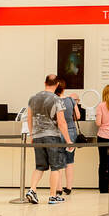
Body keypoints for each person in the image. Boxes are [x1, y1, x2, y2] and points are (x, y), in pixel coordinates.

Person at [25, 73, 71, 205]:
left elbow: (29, 118)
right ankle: (52, 196)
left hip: (37, 136)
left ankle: (32, 189)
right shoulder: (57, 99)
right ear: (57, 85)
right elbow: (61, 122)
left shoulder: (32, 98)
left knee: (40, 166)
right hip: (52, 136)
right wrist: (68, 140)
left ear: (45, 83)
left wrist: (32, 135)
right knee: (56, 167)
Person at [55, 79, 81, 195]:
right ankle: (69, 187)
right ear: (64, 89)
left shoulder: (53, 101)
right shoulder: (71, 100)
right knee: (70, 160)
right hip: (71, 131)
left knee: (59, 160)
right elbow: (78, 116)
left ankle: (58, 188)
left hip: (57, 131)